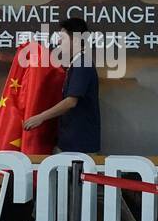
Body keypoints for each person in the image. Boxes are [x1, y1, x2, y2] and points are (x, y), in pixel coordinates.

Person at [22, 17, 100, 153]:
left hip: (80, 145)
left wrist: (40, 117)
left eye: (62, 38)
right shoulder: (75, 64)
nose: (58, 42)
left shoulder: (82, 64)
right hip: (70, 142)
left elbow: (71, 102)